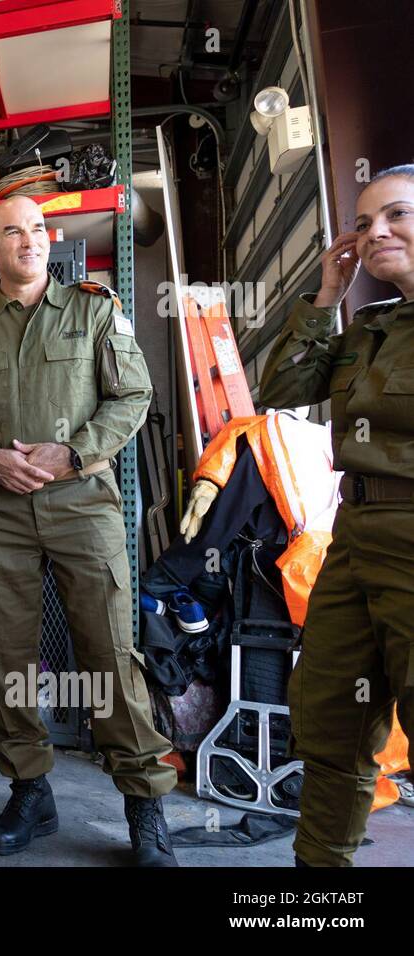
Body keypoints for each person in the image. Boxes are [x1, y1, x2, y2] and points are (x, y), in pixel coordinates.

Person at [0, 195, 179, 866]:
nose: (28, 240)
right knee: (2, 654)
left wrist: (71, 452)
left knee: (108, 652)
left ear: (51, 238)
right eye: (11, 231)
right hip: (0, 511)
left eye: (37, 228)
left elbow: (132, 397)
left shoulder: (97, 311)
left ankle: (144, 803)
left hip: (82, 504)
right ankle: (30, 791)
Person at [258, 164, 414, 867]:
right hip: (354, 538)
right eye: (363, 221)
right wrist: (327, 294)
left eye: (397, 216)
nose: (376, 231)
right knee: (329, 718)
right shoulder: (371, 325)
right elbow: (284, 387)